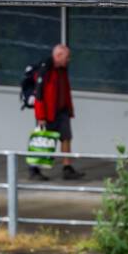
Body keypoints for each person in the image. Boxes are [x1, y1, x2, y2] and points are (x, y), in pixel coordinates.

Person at [31, 43, 83, 180]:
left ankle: (67, 167)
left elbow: (65, 89)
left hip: (62, 111)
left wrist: (69, 109)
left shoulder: (62, 69)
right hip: (47, 113)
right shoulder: (45, 69)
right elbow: (39, 95)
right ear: (58, 56)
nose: (69, 60)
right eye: (67, 57)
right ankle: (34, 170)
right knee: (43, 140)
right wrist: (40, 116)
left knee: (66, 138)